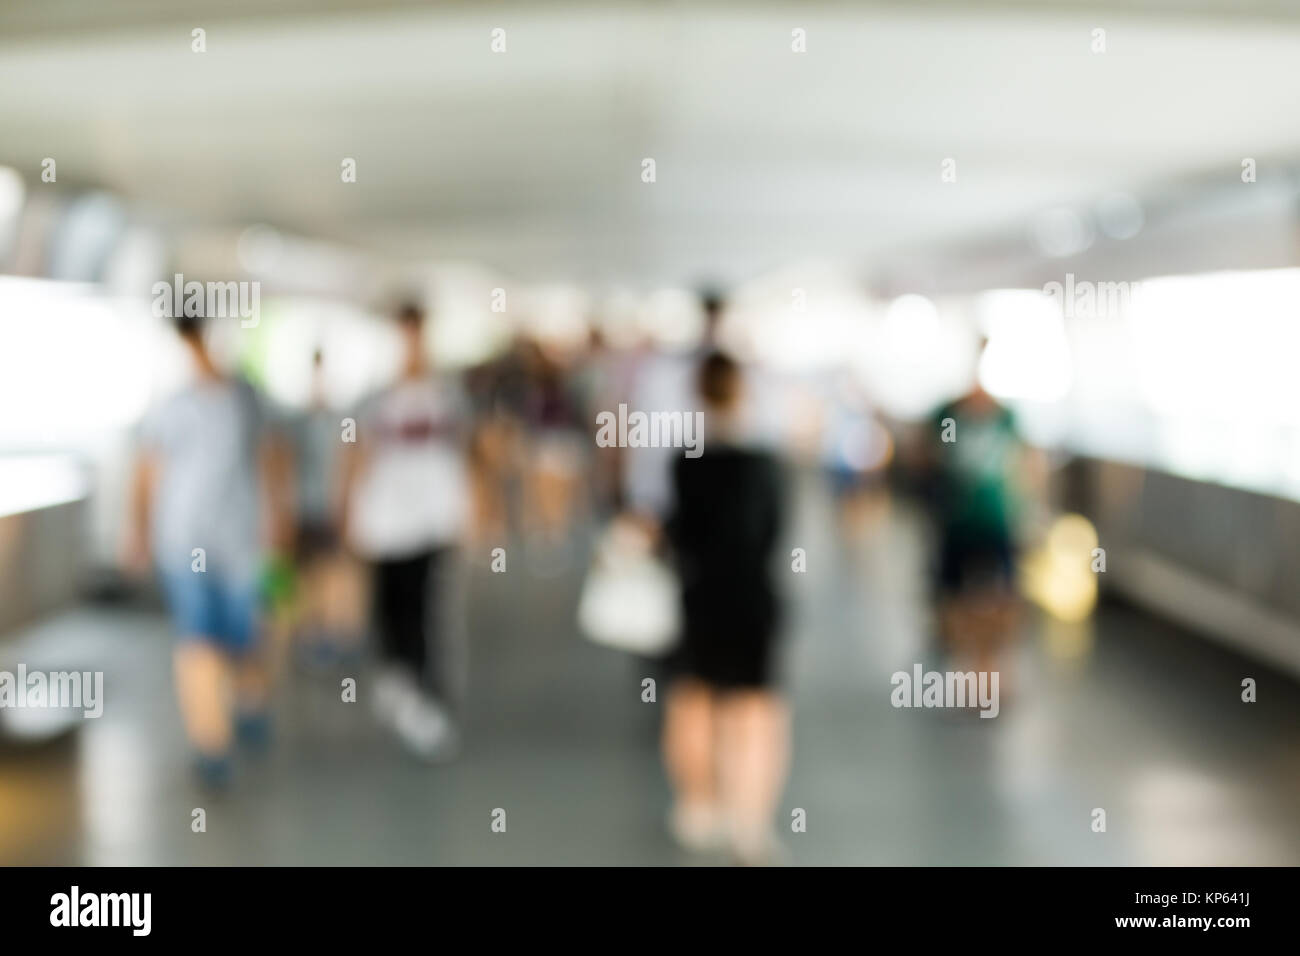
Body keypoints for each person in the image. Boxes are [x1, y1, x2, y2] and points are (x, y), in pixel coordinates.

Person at [124, 314, 290, 789]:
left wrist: (279, 520)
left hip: (241, 541)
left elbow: (273, 456)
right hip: (183, 541)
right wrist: (136, 531)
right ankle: (210, 744)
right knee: (197, 640)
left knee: (244, 635)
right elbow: (147, 471)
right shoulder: (169, 406)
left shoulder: (246, 398)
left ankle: (249, 702)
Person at [662, 350, 789, 865]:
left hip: (698, 597)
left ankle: (699, 806)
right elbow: (774, 534)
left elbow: (676, 531)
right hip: (752, 599)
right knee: (756, 713)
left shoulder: (683, 463)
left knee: (693, 703)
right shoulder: (765, 464)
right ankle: (751, 823)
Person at [338, 301, 470, 761]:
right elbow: (353, 454)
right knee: (389, 605)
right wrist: (348, 512)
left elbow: (469, 452)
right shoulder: (374, 398)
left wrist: (474, 511)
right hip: (384, 521)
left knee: (424, 606)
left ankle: (422, 690)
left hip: (430, 521)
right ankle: (398, 678)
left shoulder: (448, 395)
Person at [928, 345, 1026, 690]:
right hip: (956, 520)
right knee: (953, 598)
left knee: (1001, 598)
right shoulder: (946, 413)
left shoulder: (1006, 417)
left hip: (995, 520)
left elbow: (1021, 465)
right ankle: (964, 672)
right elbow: (928, 455)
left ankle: (993, 674)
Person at [287, 349, 365, 667]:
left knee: (333, 572)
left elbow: (350, 461)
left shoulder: (340, 421)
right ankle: (308, 633)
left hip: (329, 508)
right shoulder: (297, 422)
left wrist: (346, 505)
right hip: (304, 508)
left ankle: (334, 635)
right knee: (306, 575)